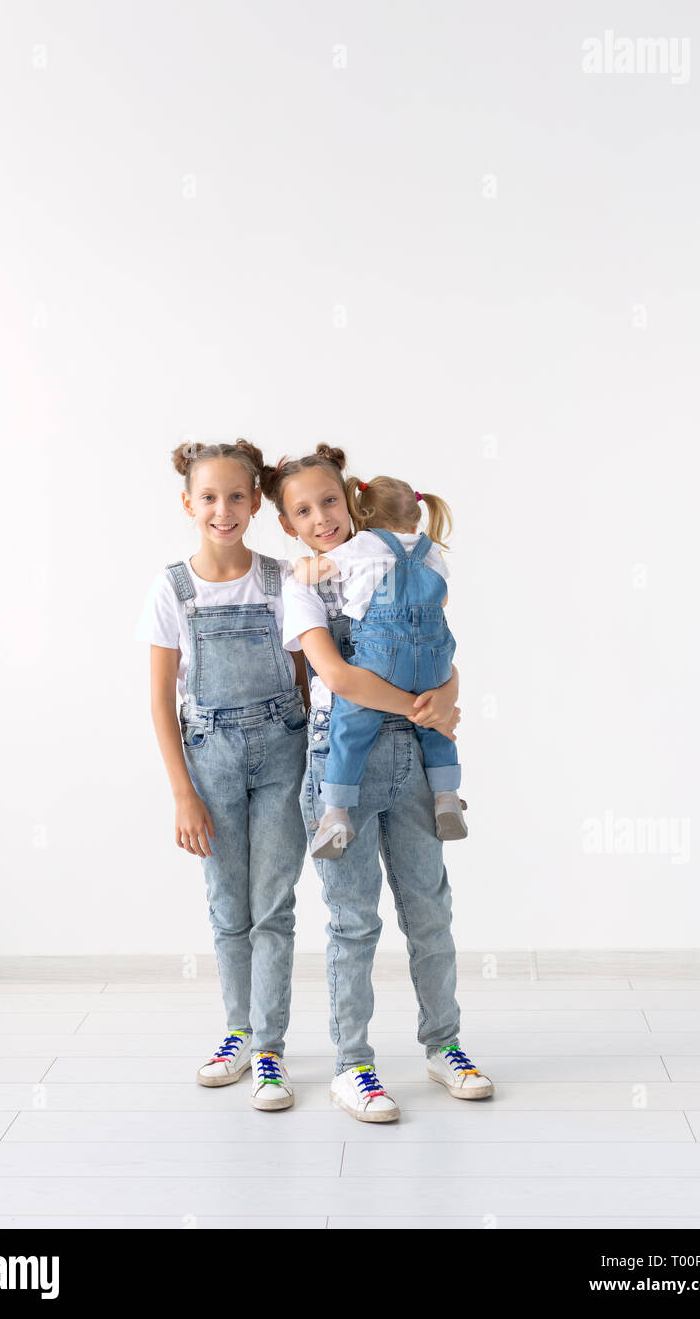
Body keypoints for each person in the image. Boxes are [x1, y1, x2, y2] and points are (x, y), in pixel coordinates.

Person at [263, 442, 494, 1122]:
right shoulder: (304, 582)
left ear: (353, 502)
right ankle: (352, 1064)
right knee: (354, 918)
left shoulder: (396, 559)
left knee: (430, 908)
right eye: (304, 510)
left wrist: (447, 694)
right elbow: (336, 677)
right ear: (289, 523)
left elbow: (440, 648)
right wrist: (425, 705)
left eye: (330, 502)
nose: (321, 517)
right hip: (346, 757)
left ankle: (443, 1043)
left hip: (417, 761)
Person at [135, 438, 309, 1111]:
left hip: (282, 751)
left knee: (273, 902)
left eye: (237, 495)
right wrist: (183, 794)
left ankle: (270, 1048)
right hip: (209, 758)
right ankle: (237, 1030)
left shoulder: (281, 579)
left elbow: (304, 675)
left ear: (257, 502)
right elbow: (158, 701)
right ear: (187, 503)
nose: (223, 509)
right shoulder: (170, 588)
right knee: (225, 902)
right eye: (209, 496)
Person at [292, 474, 467, 857]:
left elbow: (311, 574)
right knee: (437, 731)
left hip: (385, 657)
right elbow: (443, 598)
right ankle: (447, 798)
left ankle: (336, 812)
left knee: (351, 725)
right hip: (436, 658)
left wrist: (304, 565)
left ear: (364, 517)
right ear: (416, 519)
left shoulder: (363, 545)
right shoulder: (430, 549)